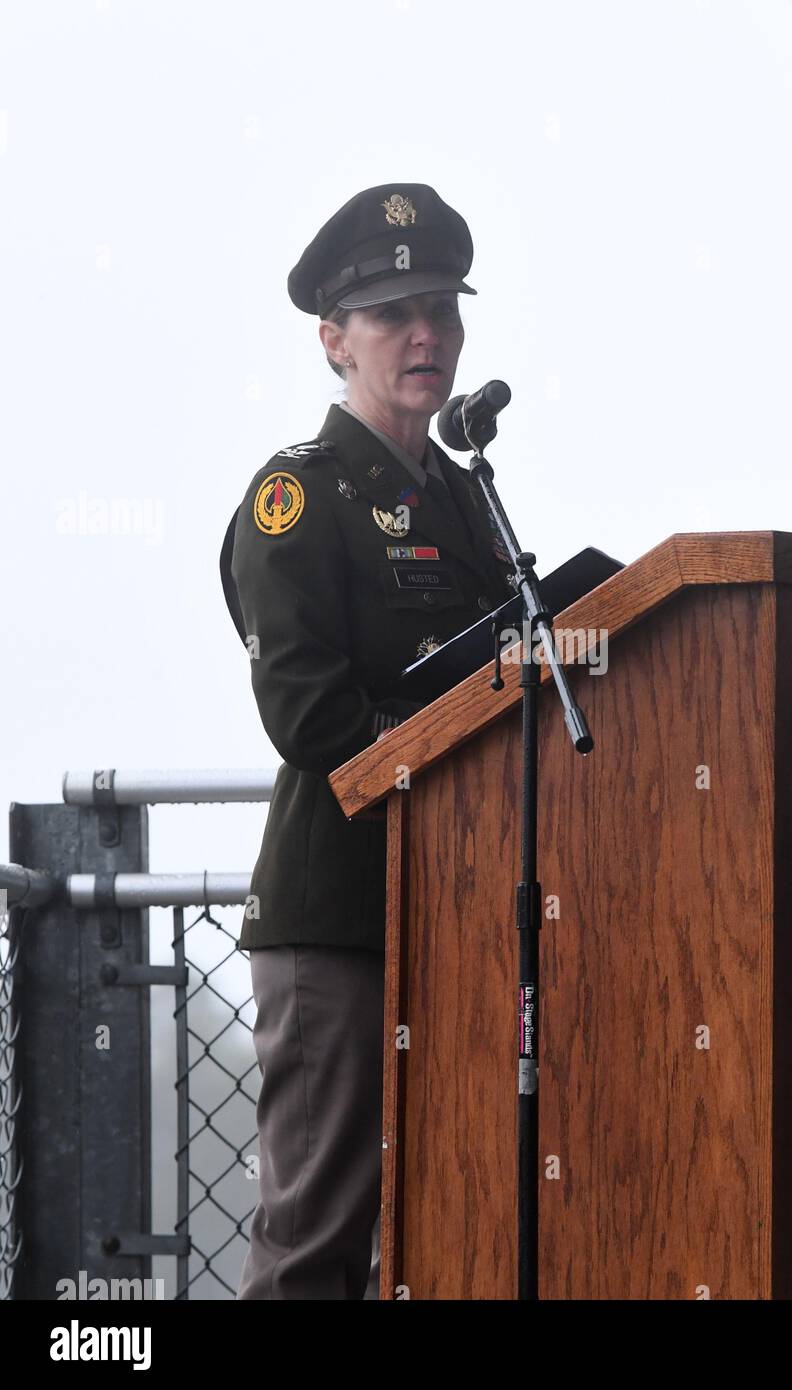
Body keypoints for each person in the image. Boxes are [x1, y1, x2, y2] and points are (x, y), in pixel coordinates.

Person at [219, 183, 516, 1299]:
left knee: (459, 1215)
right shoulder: (297, 497)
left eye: (441, 305)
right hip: (341, 912)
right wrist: (450, 732)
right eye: (395, 313)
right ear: (334, 342)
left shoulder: (470, 498)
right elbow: (310, 717)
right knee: (320, 1235)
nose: (427, 333)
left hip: (469, 907)